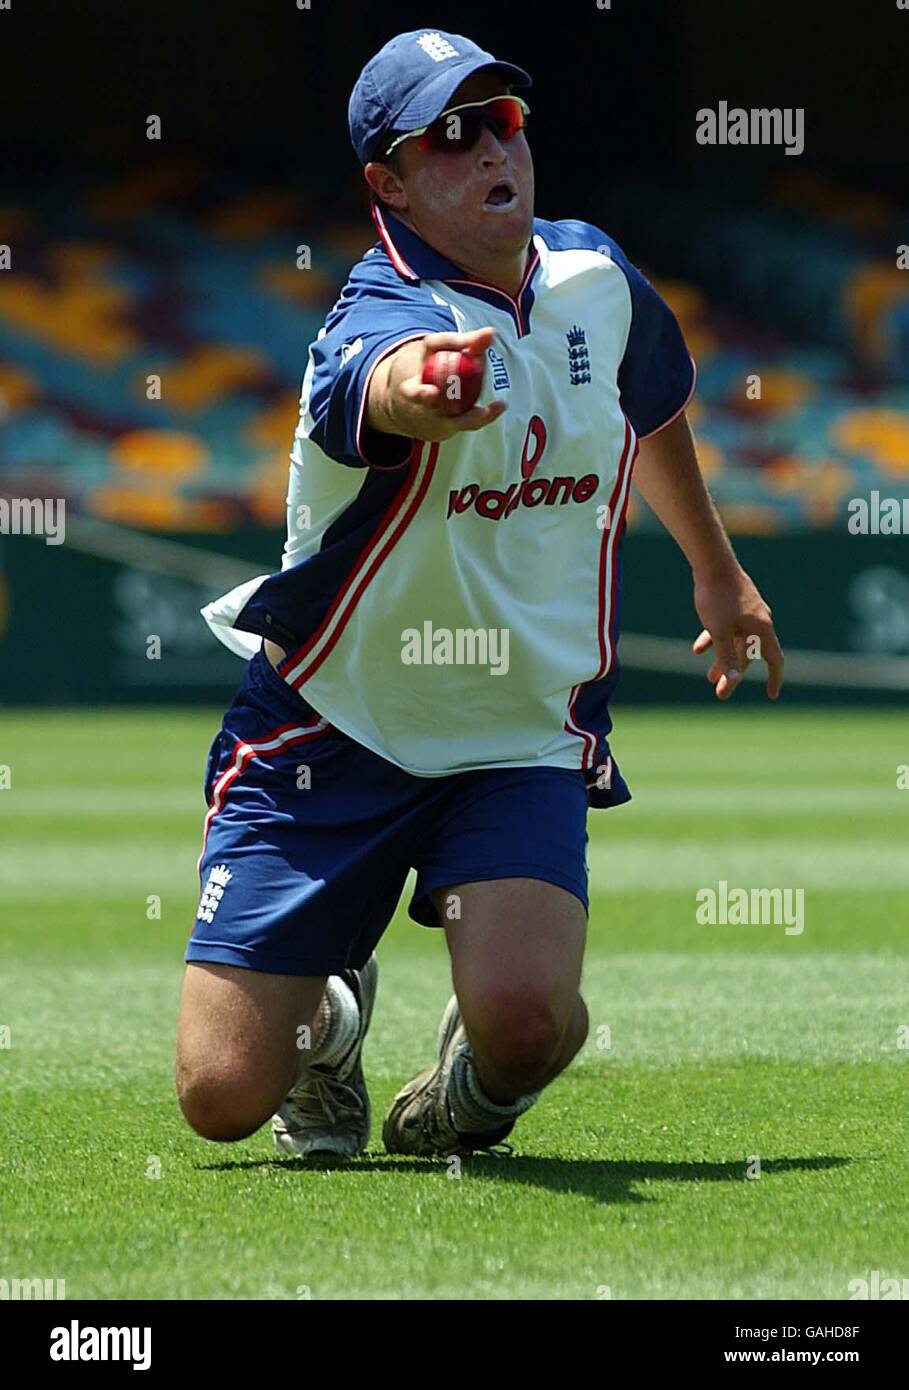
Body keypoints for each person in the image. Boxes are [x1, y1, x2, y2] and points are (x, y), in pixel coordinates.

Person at [175, 29, 784, 1160]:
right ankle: (332, 1018)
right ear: (388, 185)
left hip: (516, 734)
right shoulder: (373, 322)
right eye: (448, 136)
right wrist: (434, 387)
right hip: (332, 726)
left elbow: (650, 405)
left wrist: (718, 567)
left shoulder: (596, 276)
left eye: (501, 120)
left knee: (527, 1025)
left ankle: (461, 1096)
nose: (491, 148)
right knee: (219, 1098)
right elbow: (381, 386)